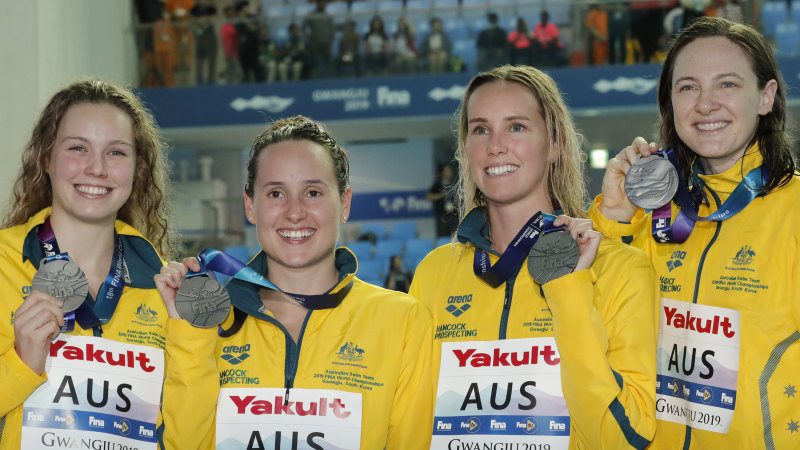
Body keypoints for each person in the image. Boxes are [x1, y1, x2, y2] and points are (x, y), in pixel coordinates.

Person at [409, 65, 658, 448]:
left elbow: (627, 440)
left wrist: (570, 291)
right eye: (480, 129)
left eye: (516, 126)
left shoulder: (620, 268)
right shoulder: (434, 272)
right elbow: (412, 423)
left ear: (555, 144)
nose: (495, 145)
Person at [157, 116, 434, 448]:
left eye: (313, 192)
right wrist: (190, 334)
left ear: (344, 203)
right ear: (250, 206)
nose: (294, 212)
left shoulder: (403, 321)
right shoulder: (210, 320)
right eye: (276, 193)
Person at [587, 17, 800, 449]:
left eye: (727, 84)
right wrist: (613, 219)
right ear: (670, 103)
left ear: (766, 96)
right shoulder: (648, 214)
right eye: (687, 87)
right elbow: (591, 332)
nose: (705, 104)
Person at [0, 79, 174, 449]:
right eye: (78, 148)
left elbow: (188, 433)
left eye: (116, 152)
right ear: (46, 158)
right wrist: (21, 363)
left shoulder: (164, 288)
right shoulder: (3, 263)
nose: (97, 168)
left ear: (137, 169)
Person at [302, 0, 335, 79]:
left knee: (328, 60)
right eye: (322, 3)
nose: (324, 5)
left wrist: (331, 40)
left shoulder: (327, 15)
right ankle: (315, 78)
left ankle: (330, 77)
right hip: (315, 42)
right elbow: (304, 28)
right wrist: (309, 37)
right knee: (315, 61)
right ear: (318, 3)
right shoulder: (311, 15)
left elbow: (332, 29)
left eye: (325, 3)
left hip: (326, 42)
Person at [427, 163, 458, 238]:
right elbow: (429, 196)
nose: (448, 173)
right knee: (443, 236)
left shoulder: (455, 184)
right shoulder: (437, 184)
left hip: (454, 215)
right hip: (442, 215)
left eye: (449, 171)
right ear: (442, 172)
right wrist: (441, 195)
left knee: (455, 236)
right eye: (446, 171)